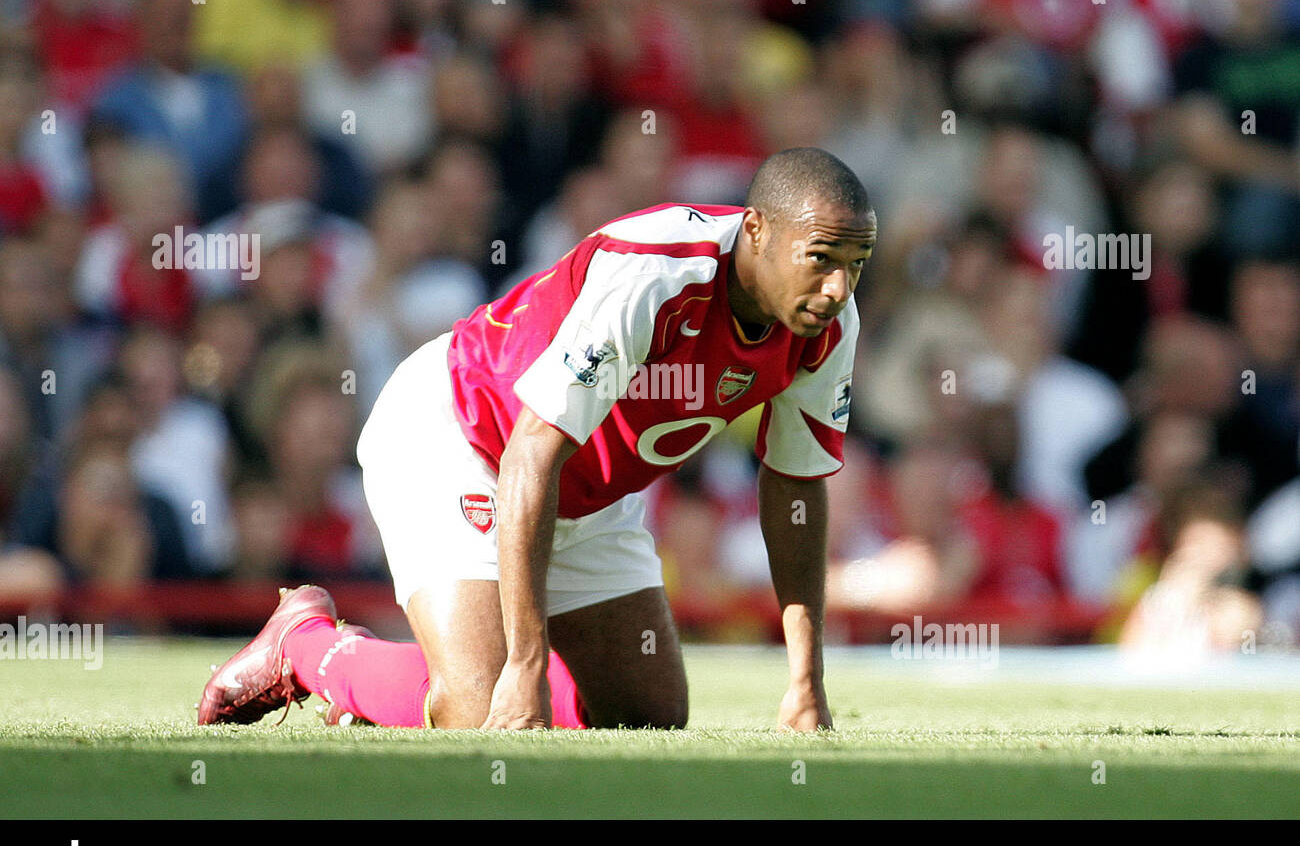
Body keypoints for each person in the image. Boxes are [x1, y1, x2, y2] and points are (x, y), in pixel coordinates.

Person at [197, 147, 877, 731]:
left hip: (581, 484)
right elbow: (531, 449)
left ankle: (447, 677)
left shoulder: (829, 320)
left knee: (647, 714)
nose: (838, 285)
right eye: (820, 258)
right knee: (479, 704)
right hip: (465, 434)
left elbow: (795, 485)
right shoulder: (658, 274)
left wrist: (806, 680)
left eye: (857, 261)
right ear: (755, 230)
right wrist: (523, 666)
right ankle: (307, 644)